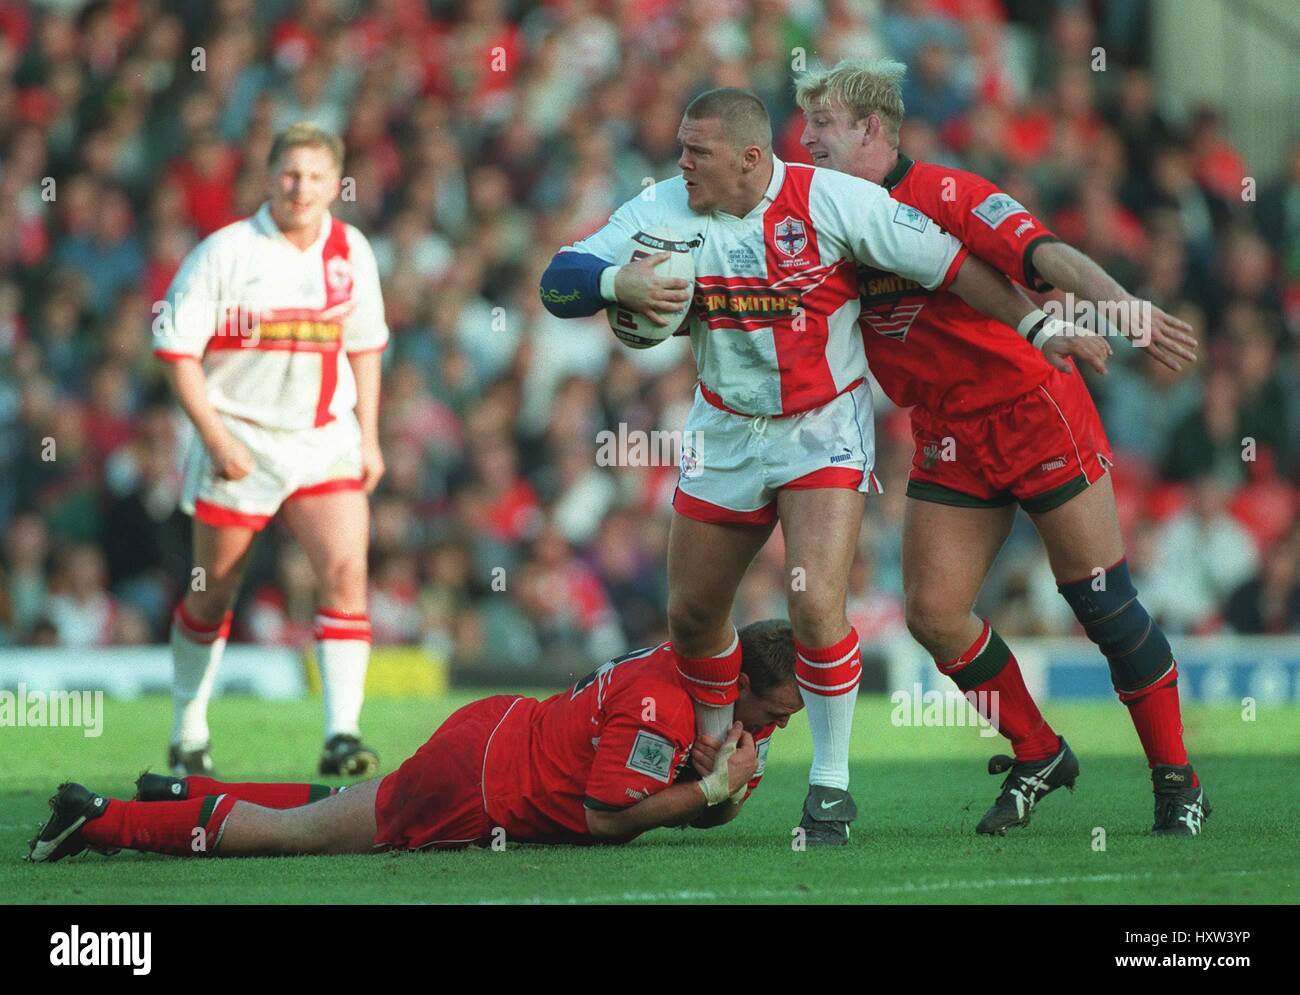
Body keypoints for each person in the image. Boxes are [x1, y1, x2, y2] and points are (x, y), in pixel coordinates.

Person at [539, 87, 1108, 844]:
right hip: (725, 428)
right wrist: (621, 283)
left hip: (822, 427)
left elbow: (950, 263)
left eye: (696, 151)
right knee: (694, 615)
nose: (682, 162)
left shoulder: (833, 200)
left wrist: (1038, 326)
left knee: (813, 604)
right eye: (680, 148)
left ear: (749, 158)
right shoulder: (662, 210)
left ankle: (830, 787)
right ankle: (714, 754)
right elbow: (557, 280)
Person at [797, 57, 1208, 836]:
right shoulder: (825, 214)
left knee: (1100, 602)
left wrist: (1122, 306)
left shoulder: (948, 194)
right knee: (933, 612)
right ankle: (1039, 749)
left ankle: (1178, 779)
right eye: (806, 124)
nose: (807, 140)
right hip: (948, 432)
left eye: (823, 125)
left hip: (1031, 410)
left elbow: (1044, 253)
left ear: (873, 130)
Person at [27, 621, 802, 862]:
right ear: (740, 684)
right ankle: (98, 818)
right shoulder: (666, 705)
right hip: (482, 787)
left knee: (346, 803)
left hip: (495, 730)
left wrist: (715, 792)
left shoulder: (711, 692)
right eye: (774, 709)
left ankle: (176, 791)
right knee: (300, 838)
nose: (778, 726)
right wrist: (705, 790)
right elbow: (605, 816)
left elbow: (708, 808)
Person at [152, 123, 389, 778]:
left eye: (315, 176)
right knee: (213, 591)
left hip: (323, 440)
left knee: (345, 574)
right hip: (242, 441)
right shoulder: (225, 252)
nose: (301, 188)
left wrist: (368, 434)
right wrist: (216, 437)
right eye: (289, 174)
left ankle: (343, 732)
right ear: (267, 178)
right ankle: (188, 731)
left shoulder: (351, 250)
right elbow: (175, 351)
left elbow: (366, 343)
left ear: (335, 184)